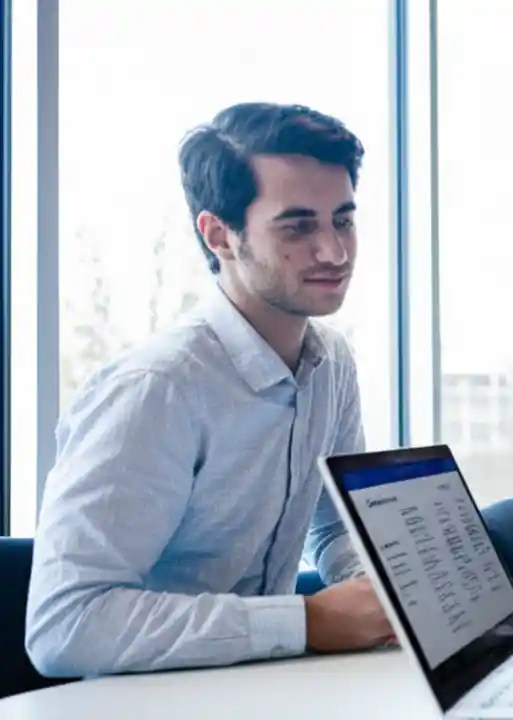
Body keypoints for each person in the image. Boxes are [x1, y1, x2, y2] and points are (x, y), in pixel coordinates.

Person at [26, 103, 394, 678]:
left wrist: (391, 589)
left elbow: (334, 528)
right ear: (219, 233)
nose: (335, 252)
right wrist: (306, 622)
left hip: (261, 689)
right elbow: (64, 625)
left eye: (343, 219)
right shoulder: (157, 389)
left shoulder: (331, 364)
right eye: (298, 226)